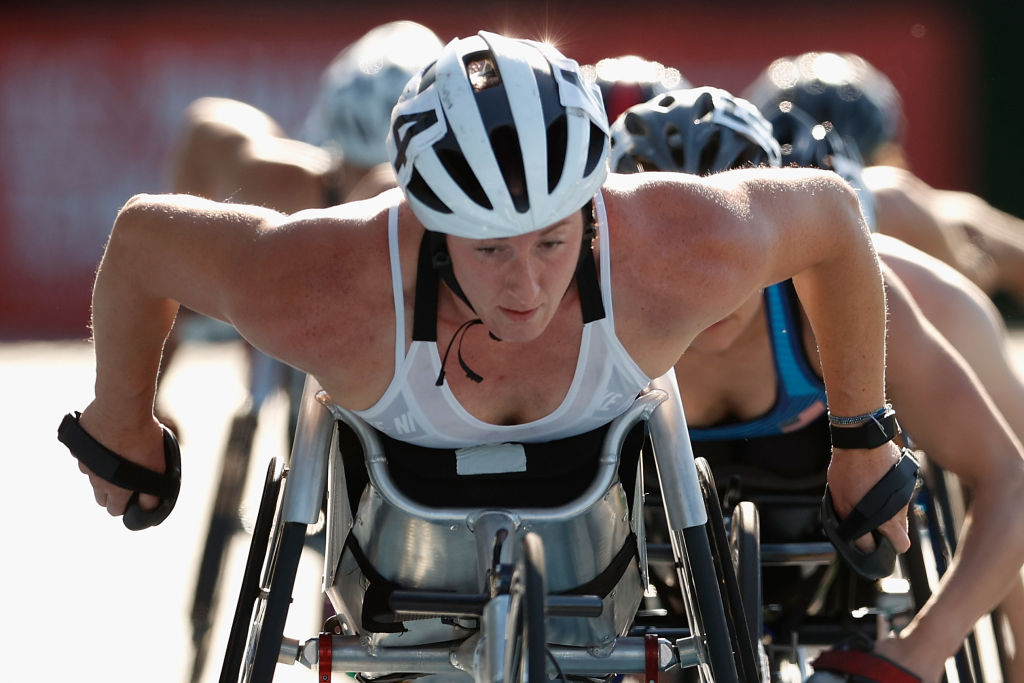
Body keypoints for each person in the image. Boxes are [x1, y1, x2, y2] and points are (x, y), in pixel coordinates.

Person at [63, 29, 908, 655]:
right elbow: (142, 242)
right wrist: (122, 416)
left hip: (605, 564)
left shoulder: (666, 248)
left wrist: (861, 437)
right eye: (491, 250)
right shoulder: (333, 283)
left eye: (552, 242)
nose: (527, 287)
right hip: (391, 575)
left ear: (593, 205)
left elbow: (833, 218)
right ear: (429, 224)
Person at [609, 85, 1024, 682]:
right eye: (670, 252)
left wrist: (922, 649)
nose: (706, 282)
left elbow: (1008, 477)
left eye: (726, 244)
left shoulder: (873, 289)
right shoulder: (589, 314)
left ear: (775, 224)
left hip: (842, 570)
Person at [157, 20, 444, 432]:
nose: (376, 194)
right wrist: (147, 399)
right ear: (331, 162)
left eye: (394, 186)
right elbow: (202, 132)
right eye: (360, 173)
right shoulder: (285, 182)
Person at [743, 50, 1024, 313]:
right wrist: (981, 252)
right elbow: (977, 274)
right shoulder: (894, 200)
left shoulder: (741, 210)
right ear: (890, 155)